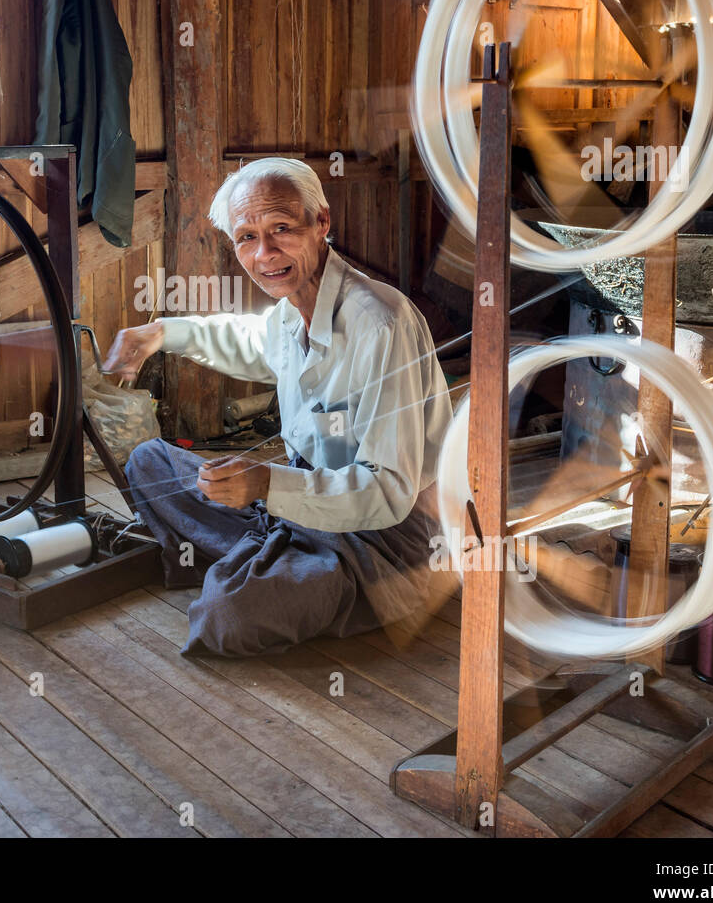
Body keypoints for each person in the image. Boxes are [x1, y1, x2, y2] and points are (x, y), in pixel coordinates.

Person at [104, 158, 456, 657]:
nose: (264, 253)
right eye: (247, 237)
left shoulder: (380, 323)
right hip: (298, 509)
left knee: (227, 616)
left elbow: (387, 491)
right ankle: (275, 558)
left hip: (384, 539)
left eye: (282, 229)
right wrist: (161, 333)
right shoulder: (291, 313)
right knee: (148, 462)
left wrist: (268, 485)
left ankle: (276, 568)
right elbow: (246, 340)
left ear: (321, 224)